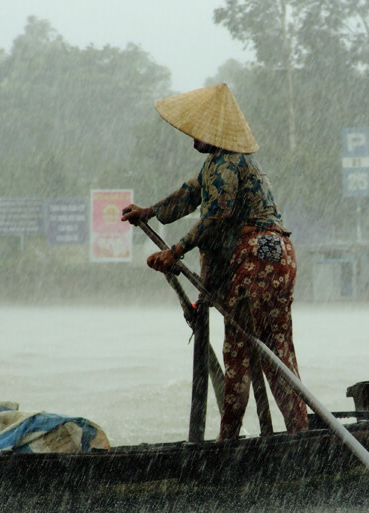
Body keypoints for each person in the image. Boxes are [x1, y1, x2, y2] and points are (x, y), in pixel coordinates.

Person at [121, 83, 308, 440]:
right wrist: (150, 212)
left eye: (199, 132)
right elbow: (188, 196)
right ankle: (298, 436)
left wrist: (175, 251)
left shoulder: (227, 164)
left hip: (258, 258)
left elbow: (215, 218)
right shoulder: (220, 165)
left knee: (240, 353)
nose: (193, 138)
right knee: (275, 351)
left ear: (215, 134)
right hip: (277, 255)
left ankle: (230, 446)